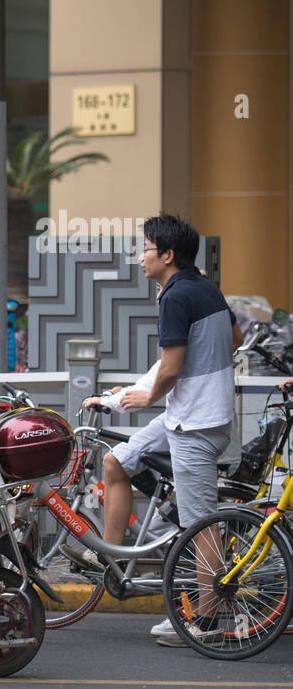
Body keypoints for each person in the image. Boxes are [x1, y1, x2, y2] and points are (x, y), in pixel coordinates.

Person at [73, 214, 242, 646]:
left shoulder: (176, 296)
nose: (140, 258)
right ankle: (112, 562)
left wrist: (146, 396)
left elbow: (171, 368)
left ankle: (207, 621)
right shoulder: (202, 287)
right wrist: (139, 390)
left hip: (195, 426)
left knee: (201, 525)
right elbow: (235, 336)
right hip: (188, 417)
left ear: (167, 255)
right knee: (116, 462)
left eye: (146, 249)